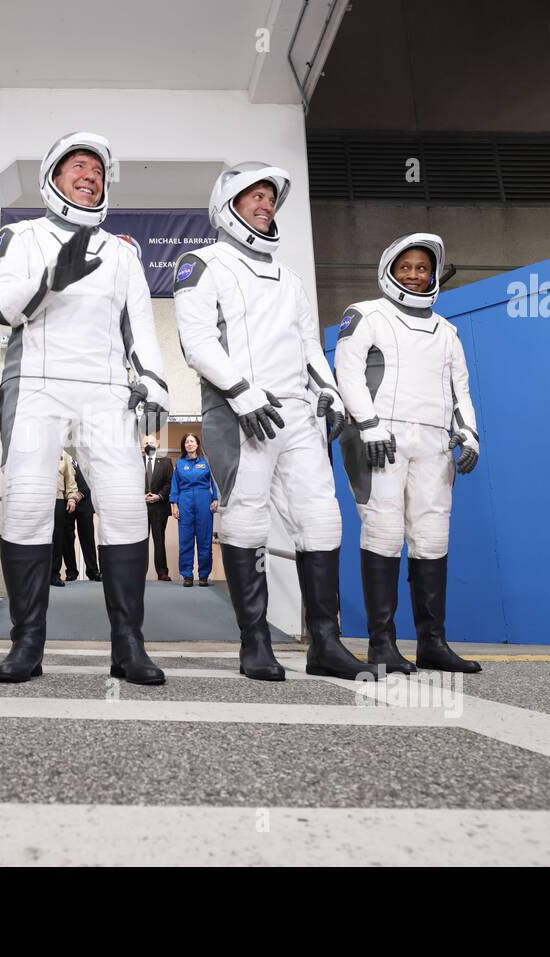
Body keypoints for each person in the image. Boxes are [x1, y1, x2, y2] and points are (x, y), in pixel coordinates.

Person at [0, 131, 169, 686]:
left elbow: (140, 326)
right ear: (52, 178)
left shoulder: (122, 252)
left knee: (124, 508)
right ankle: (27, 642)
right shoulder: (19, 235)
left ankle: (128, 644)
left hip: (105, 388)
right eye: (77, 167)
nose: (89, 175)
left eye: (97, 170)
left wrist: (155, 384)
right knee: (26, 505)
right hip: (36, 383)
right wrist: (48, 281)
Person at [174, 162, 366, 682]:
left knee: (322, 519)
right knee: (246, 518)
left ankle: (325, 641)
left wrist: (329, 391)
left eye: (269, 198)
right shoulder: (202, 263)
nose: (264, 205)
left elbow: (310, 347)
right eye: (252, 197)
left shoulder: (290, 279)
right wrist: (240, 391)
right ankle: (254, 642)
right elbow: (197, 343)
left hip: (297, 415)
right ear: (226, 207)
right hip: (240, 414)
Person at [334, 232, 482, 674]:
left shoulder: (448, 331)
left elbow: (462, 391)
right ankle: (382, 645)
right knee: (383, 532)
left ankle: (432, 642)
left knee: (432, 537)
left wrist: (469, 434)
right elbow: (347, 372)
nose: (416, 276)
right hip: (382, 439)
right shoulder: (365, 314)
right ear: (390, 270)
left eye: (423, 268)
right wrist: (368, 424)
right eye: (407, 267)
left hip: (436, 443)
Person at [169, 432, 218, 586]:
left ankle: (203, 575)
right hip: (185, 501)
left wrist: (216, 498)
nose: (189, 444)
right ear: (184, 446)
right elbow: (174, 486)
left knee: (204, 540)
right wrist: (174, 505)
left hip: (204, 500)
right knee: (185, 541)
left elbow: (215, 482)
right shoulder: (180, 463)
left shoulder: (206, 462)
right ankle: (187, 576)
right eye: (186, 442)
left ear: (197, 444)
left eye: (192, 441)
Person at [143, 435, 174, 581]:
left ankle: (162, 572)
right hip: (141, 508)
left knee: (159, 540)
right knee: (141, 541)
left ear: (158, 444)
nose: (149, 444)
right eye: (146, 442)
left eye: (152, 442)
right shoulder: (136, 462)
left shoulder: (167, 462)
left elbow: (169, 483)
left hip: (159, 506)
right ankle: (139, 573)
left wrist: (159, 496)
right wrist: (141, 496)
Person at [66, 459, 101, 581]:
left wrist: (80, 494)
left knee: (88, 539)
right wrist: (70, 497)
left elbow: (93, 480)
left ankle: (93, 571)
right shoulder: (63, 456)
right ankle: (71, 571)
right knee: (68, 539)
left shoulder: (88, 457)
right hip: (67, 503)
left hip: (85, 503)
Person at [51, 451, 79, 587]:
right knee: (39, 538)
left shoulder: (63, 454)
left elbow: (70, 478)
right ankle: (39, 574)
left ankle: (54, 574)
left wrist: (72, 498)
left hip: (58, 499)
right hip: (39, 499)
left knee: (57, 539)